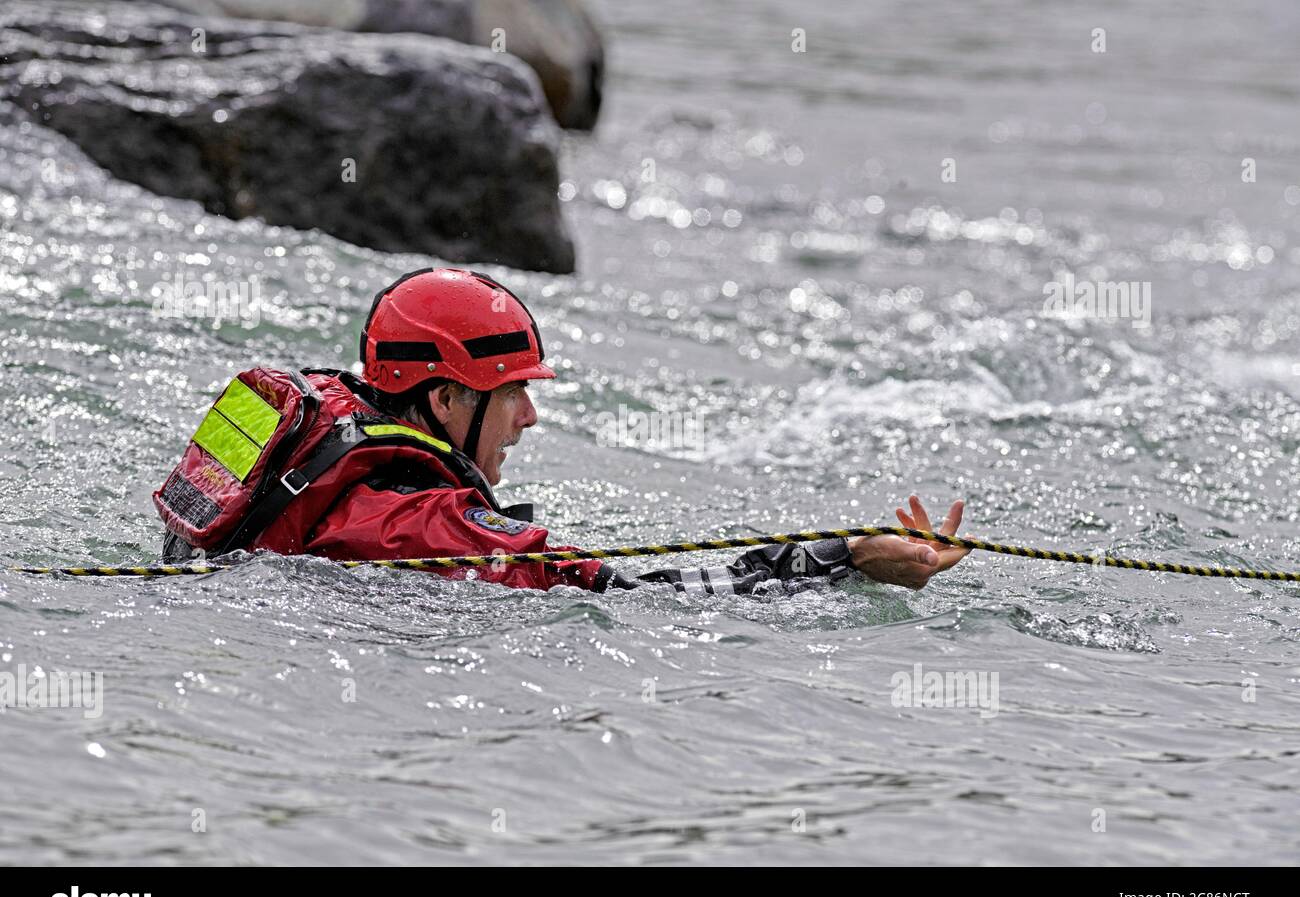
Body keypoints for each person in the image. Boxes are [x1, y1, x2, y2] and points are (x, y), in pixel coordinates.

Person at [155, 268, 969, 594]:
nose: (531, 416)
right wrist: (845, 560)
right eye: (511, 393)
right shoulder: (427, 528)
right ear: (443, 402)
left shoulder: (320, 424)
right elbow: (647, 602)